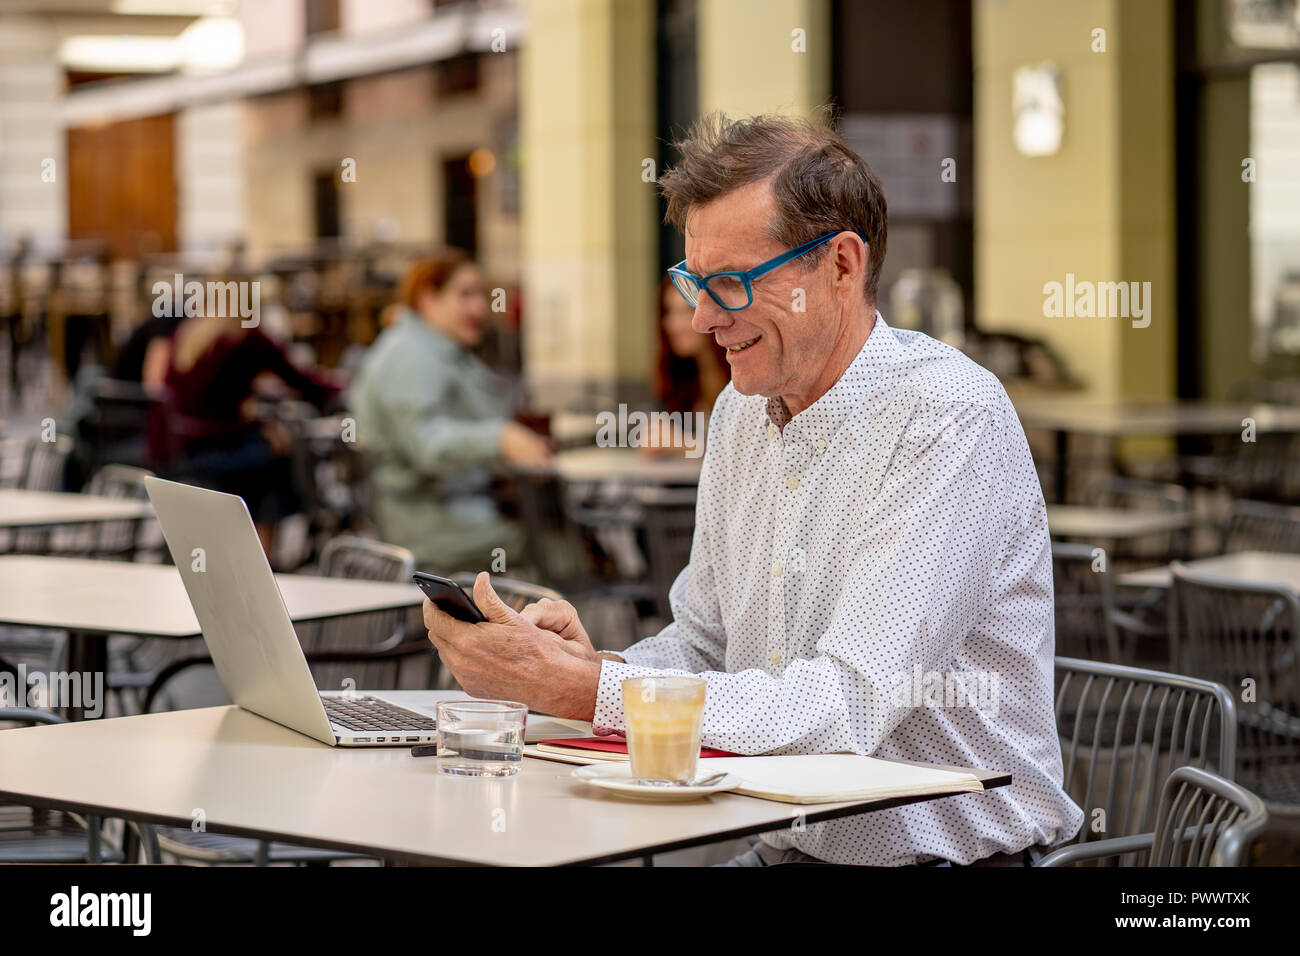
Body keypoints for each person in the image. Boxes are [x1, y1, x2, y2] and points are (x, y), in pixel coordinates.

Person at [421, 112, 1083, 866]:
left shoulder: (946, 418)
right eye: (693, 282)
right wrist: (602, 670)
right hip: (785, 847)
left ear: (840, 265)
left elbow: (848, 704)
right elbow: (704, 644)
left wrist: (585, 694)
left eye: (730, 284)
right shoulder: (741, 410)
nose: (703, 318)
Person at [348, 250, 550, 572]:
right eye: (465, 294)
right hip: (427, 521)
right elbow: (427, 443)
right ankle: (552, 616)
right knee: (550, 536)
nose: (480, 307)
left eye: (480, 295)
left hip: (439, 507)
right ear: (428, 299)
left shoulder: (427, 346)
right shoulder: (412, 355)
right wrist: (500, 439)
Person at [146, 312, 340, 556]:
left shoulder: (189, 330)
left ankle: (249, 548)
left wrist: (253, 420)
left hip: (174, 451)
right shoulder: (247, 336)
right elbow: (304, 383)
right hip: (209, 452)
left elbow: (201, 404)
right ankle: (264, 556)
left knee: (267, 445)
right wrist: (342, 386)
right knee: (277, 456)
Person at [642, 277, 729, 456]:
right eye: (669, 312)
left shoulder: (742, 377)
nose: (674, 325)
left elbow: (750, 450)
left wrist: (684, 445)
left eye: (688, 311)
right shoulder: (677, 377)